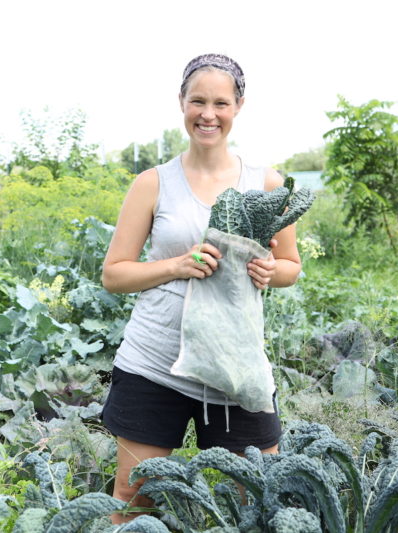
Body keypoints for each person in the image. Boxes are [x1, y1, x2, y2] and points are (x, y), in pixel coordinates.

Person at [100, 53, 302, 522]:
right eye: (197, 101)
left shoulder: (266, 183)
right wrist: (176, 264)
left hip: (236, 366)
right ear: (181, 103)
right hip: (154, 364)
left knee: (258, 501)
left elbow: (291, 265)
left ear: (238, 106)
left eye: (220, 103)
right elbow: (115, 274)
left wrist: (273, 272)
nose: (207, 114)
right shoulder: (153, 184)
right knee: (134, 502)